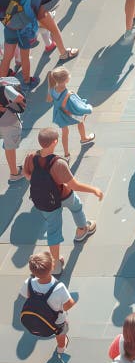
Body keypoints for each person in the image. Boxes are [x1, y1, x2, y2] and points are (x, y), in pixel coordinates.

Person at [23, 128, 102, 275]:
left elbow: (26, 174)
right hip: (64, 195)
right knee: (77, 206)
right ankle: (81, 230)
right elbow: (74, 185)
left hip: (45, 202)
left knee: (53, 230)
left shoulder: (30, 157)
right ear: (55, 142)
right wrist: (94, 190)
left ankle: (55, 265)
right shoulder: (59, 163)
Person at [19, 251, 75, 354]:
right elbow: (68, 305)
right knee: (61, 332)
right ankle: (61, 347)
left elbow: (26, 295)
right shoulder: (59, 288)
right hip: (57, 321)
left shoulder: (28, 283)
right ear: (52, 267)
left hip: (38, 317)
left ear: (32, 270)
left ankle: (60, 345)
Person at [46, 67, 95, 161]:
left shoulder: (52, 89)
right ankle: (84, 138)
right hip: (67, 114)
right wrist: (88, 109)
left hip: (59, 115)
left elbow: (51, 100)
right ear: (66, 80)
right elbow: (70, 106)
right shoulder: (67, 93)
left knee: (65, 133)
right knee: (80, 121)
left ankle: (66, 154)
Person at [0, 0, 39, 90]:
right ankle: (27, 82)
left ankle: (1, 85)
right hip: (23, 28)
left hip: (9, 28)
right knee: (24, 57)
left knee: (6, 58)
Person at [1, 78, 25, 182]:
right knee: (10, 147)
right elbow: (19, 98)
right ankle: (14, 174)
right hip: (7, 122)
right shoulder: (4, 88)